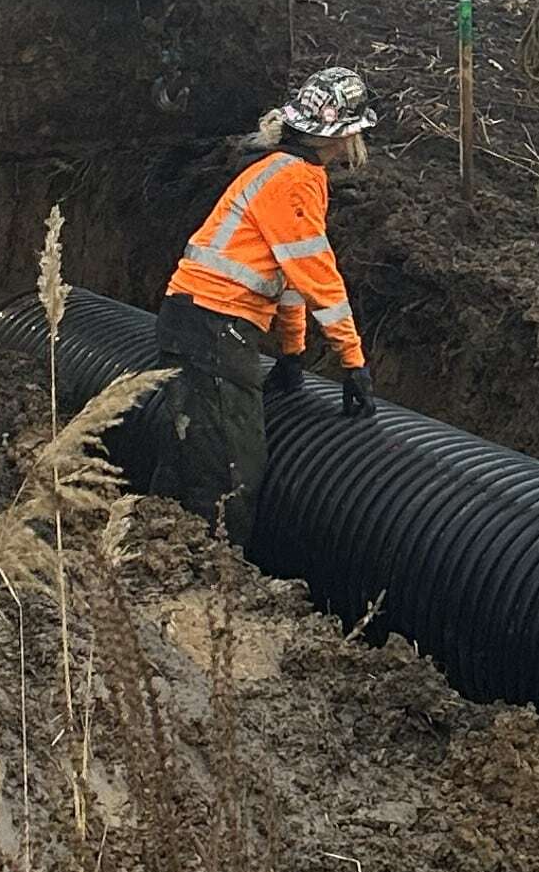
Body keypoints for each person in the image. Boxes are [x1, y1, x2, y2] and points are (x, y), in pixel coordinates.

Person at [149, 67, 380, 544]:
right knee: (233, 469)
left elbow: (286, 275)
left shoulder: (277, 169)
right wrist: (352, 361)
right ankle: (214, 577)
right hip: (215, 326)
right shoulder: (295, 179)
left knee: (188, 450)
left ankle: (159, 553)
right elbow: (317, 277)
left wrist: (293, 351)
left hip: (191, 318)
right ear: (344, 134)